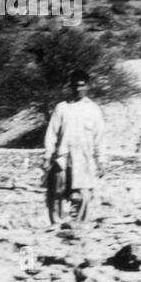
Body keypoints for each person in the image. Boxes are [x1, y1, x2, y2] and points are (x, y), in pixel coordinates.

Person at [44, 69, 105, 227]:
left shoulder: (94, 110)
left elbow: (100, 138)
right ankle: (56, 224)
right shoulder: (62, 108)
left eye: (81, 85)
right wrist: (48, 155)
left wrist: (101, 161)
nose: (78, 89)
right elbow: (51, 134)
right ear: (70, 87)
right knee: (57, 193)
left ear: (87, 86)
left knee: (84, 194)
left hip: (84, 158)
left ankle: (80, 225)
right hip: (63, 157)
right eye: (75, 86)